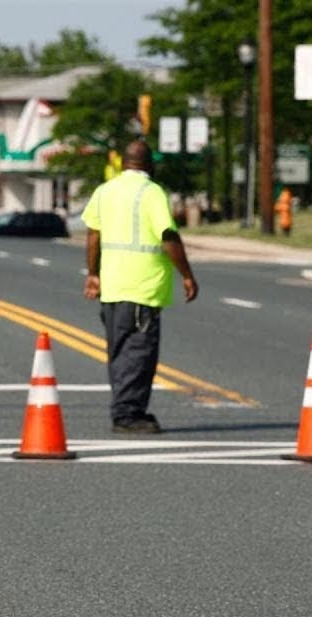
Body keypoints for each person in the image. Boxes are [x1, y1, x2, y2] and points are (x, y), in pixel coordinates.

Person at [82, 140, 198, 434]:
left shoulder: (104, 191)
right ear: (150, 165)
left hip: (112, 287)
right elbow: (168, 236)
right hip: (142, 287)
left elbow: (93, 236)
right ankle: (127, 415)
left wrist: (93, 273)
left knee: (120, 353)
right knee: (138, 354)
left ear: (122, 163)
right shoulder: (152, 193)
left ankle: (124, 410)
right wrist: (186, 274)